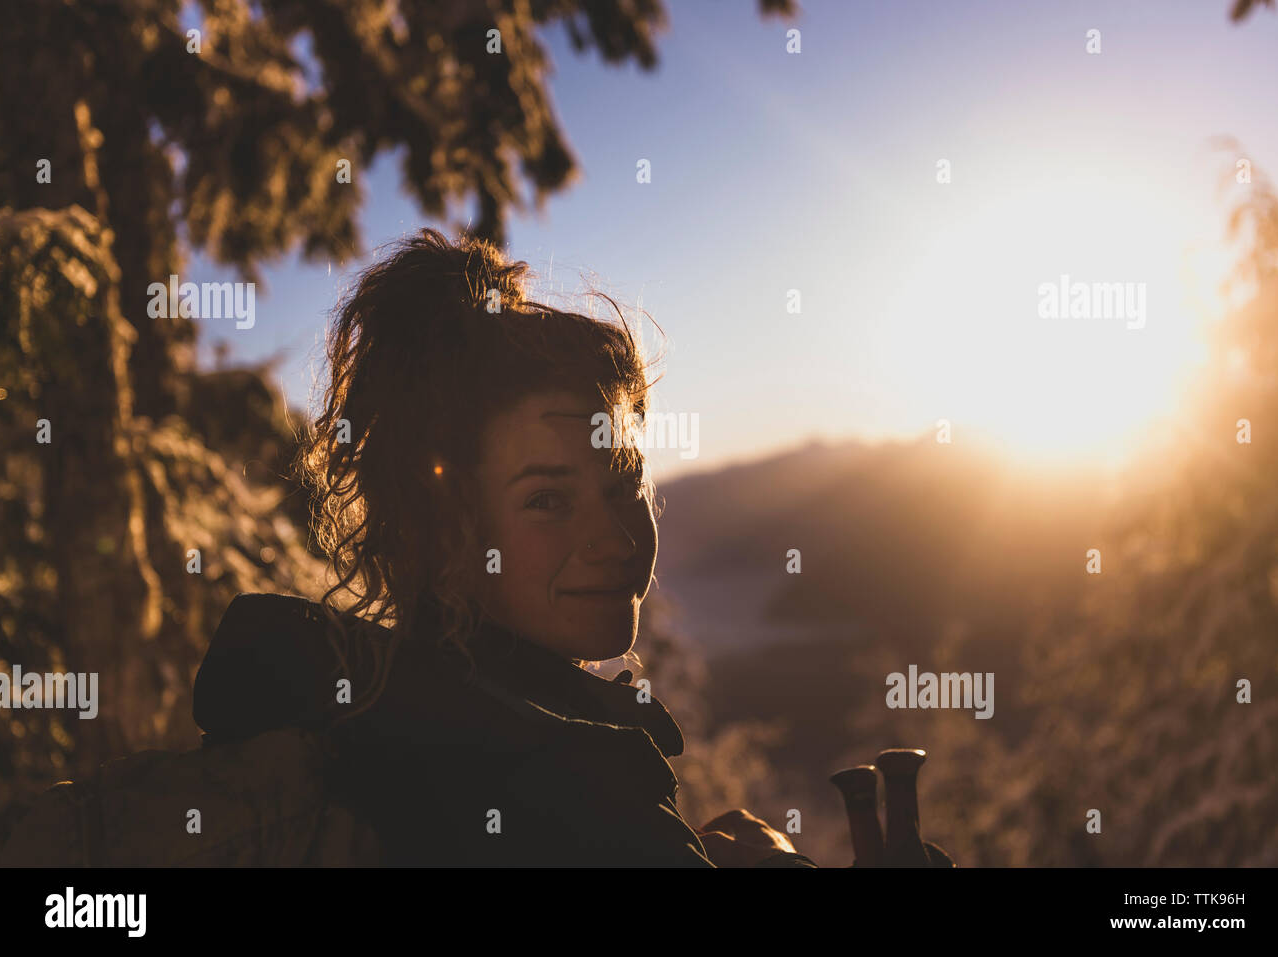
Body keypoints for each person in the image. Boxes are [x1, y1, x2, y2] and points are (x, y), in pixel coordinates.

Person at [193, 228, 816, 867]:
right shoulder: (573, 783)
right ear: (445, 533)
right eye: (547, 501)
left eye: (623, 485)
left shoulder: (401, 724)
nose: (618, 537)